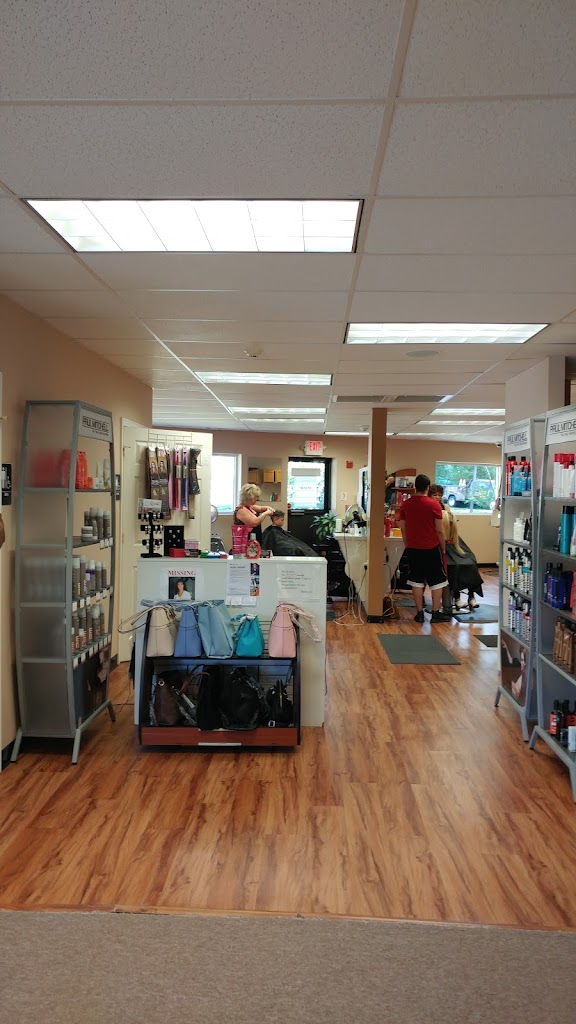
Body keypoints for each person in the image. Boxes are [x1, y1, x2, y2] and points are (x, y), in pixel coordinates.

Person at [398, 474, 451, 624]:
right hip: (431, 547)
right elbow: (439, 530)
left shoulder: (406, 504)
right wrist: (443, 547)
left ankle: (420, 613)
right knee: (437, 581)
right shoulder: (434, 505)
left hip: (413, 548)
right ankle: (435, 613)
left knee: (416, 581)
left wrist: (407, 544)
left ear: (415, 487)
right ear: (428, 488)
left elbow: (403, 528)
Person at [429, 484, 484, 611]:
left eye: (439, 495)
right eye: (434, 495)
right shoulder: (428, 509)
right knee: (454, 565)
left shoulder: (446, 507)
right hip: (439, 542)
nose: (437, 497)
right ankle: (457, 598)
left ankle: (471, 596)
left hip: (451, 539)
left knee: (471, 560)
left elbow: (451, 525)